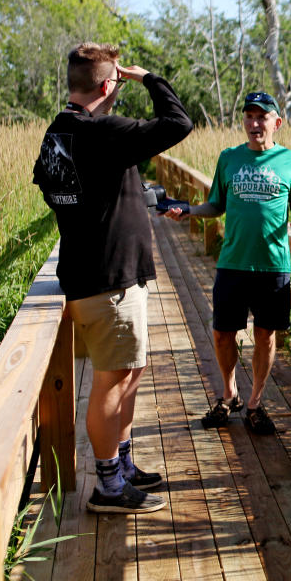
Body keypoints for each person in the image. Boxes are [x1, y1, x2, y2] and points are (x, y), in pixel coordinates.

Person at [33, 42, 193, 514]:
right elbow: (178, 123)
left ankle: (122, 464)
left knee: (129, 371)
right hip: (108, 282)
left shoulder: (58, 132)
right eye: (117, 82)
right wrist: (149, 79)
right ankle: (108, 486)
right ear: (108, 85)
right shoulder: (102, 131)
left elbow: (54, 187)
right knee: (111, 381)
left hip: (93, 272)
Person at [164, 91, 291, 434]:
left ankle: (255, 403)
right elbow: (216, 205)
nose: (254, 123)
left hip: (273, 264)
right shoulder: (229, 158)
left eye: (262, 117)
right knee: (222, 333)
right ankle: (229, 393)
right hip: (232, 263)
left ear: (277, 123)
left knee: (265, 335)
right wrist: (188, 210)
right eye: (249, 116)